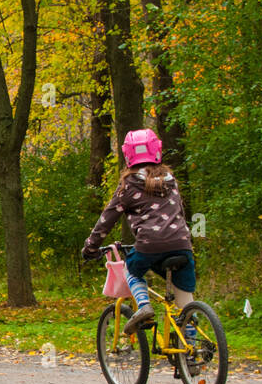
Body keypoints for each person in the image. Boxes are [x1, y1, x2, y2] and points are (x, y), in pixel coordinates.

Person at [82, 128, 195, 336]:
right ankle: (193, 352)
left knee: (131, 270)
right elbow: (180, 211)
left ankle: (143, 305)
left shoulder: (128, 184)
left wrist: (91, 247)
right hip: (181, 244)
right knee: (185, 300)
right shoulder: (171, 180)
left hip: (149, 246)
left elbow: (107, 219)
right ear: (157, 151)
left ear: (128, 155)